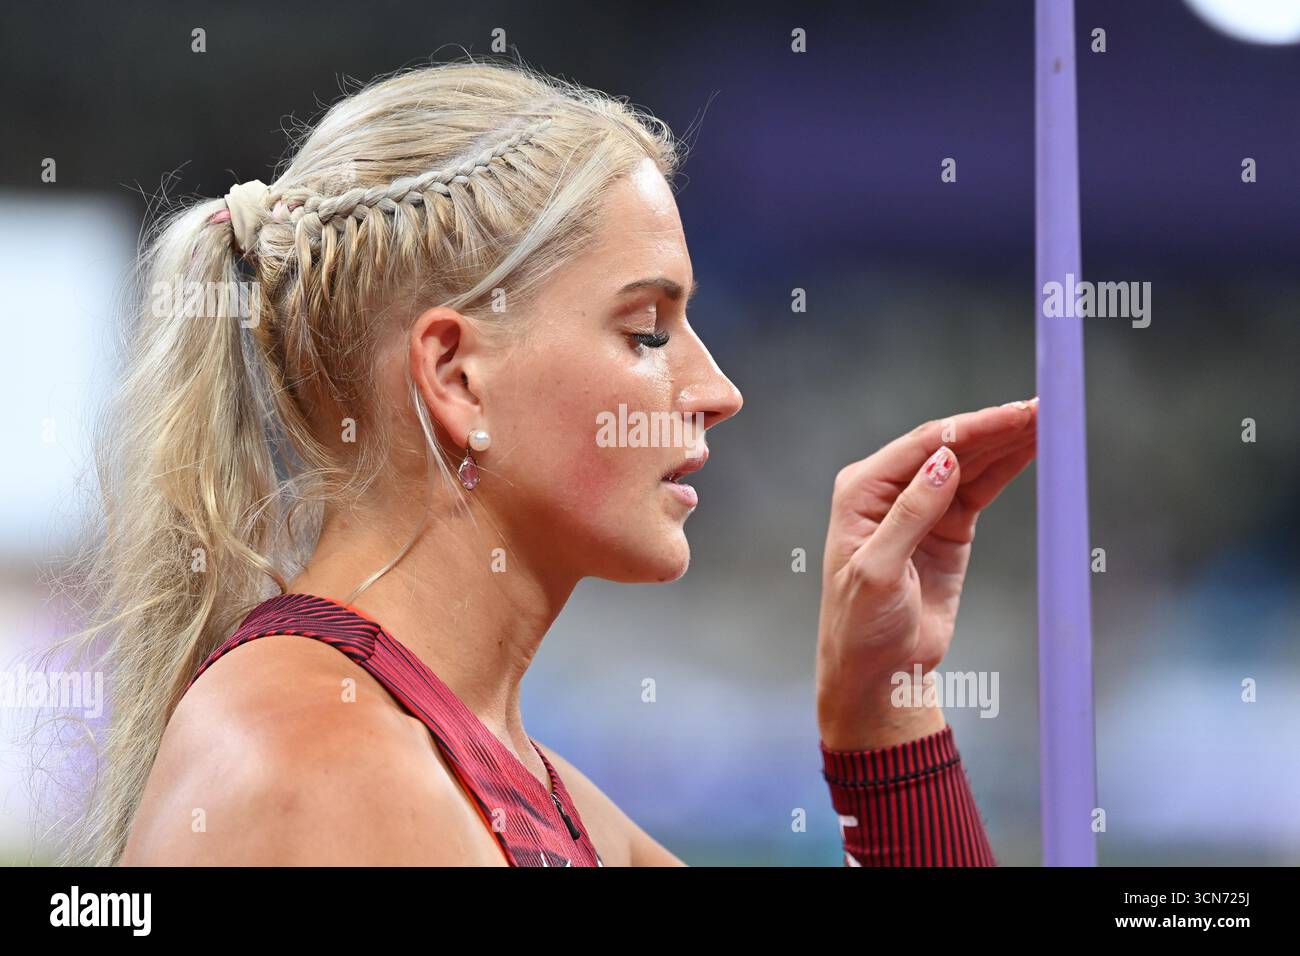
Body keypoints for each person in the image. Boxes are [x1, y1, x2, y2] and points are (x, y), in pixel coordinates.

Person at [65, 59, 1036, 866]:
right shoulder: (325, 770)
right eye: (648, 329)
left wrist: (885, 709)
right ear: (456, 376)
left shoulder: (534, 795)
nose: (718, 388)